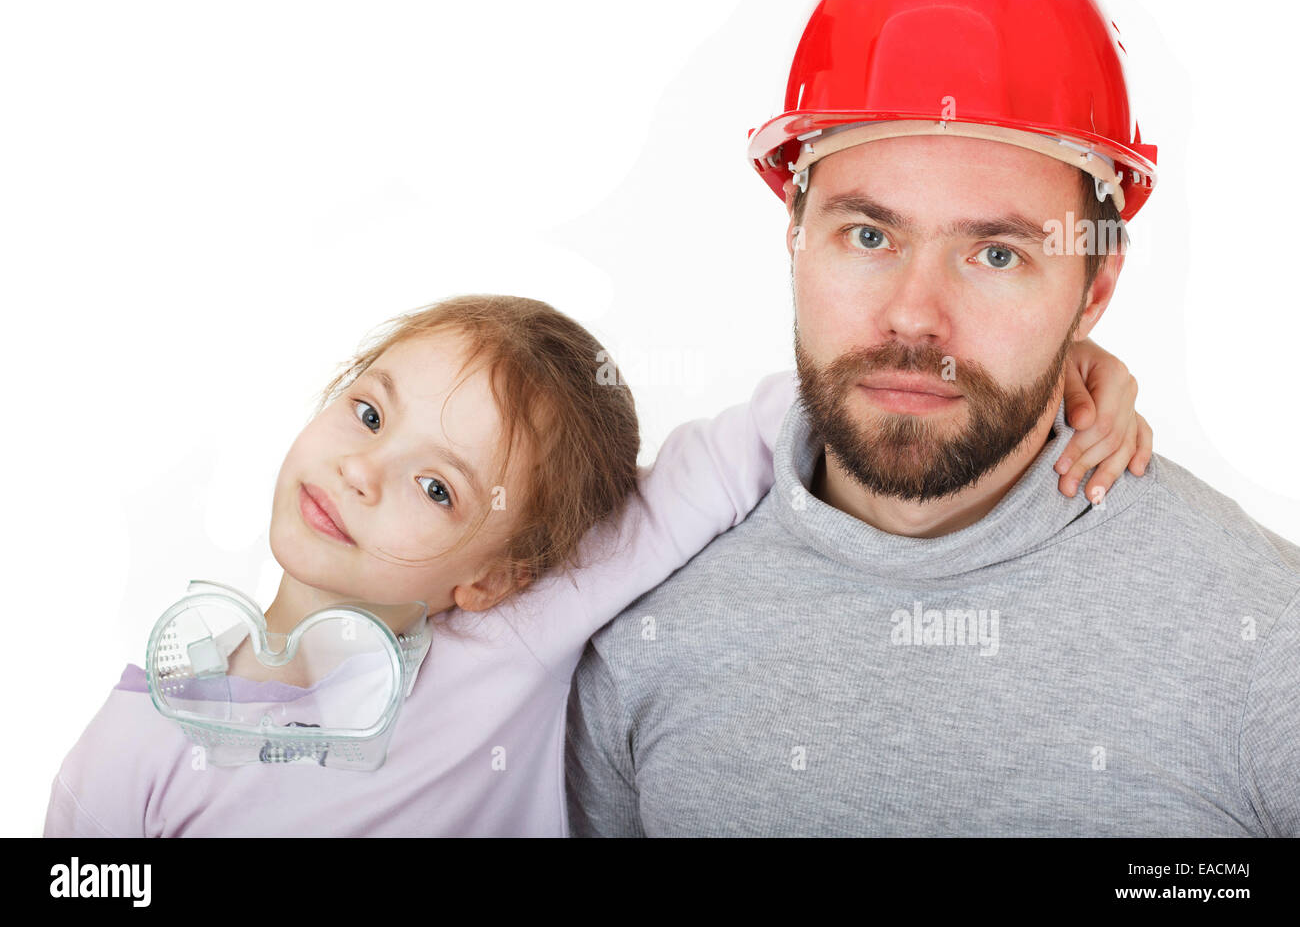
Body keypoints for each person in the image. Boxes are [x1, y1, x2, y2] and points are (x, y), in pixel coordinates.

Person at [565, 0, 1300, 837]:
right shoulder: (631, 619)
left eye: (995, 253)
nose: (916, 317)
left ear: (1094, 287)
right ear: (795, 244)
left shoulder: (1266, 637)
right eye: (869, 236)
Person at [43, 292, 1147, 836]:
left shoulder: (506, 643)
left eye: (439, 487)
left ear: (496, 574)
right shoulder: (143, 732)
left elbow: (737, 448)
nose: (366, 471)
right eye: (367, 411)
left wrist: (1038, 359)